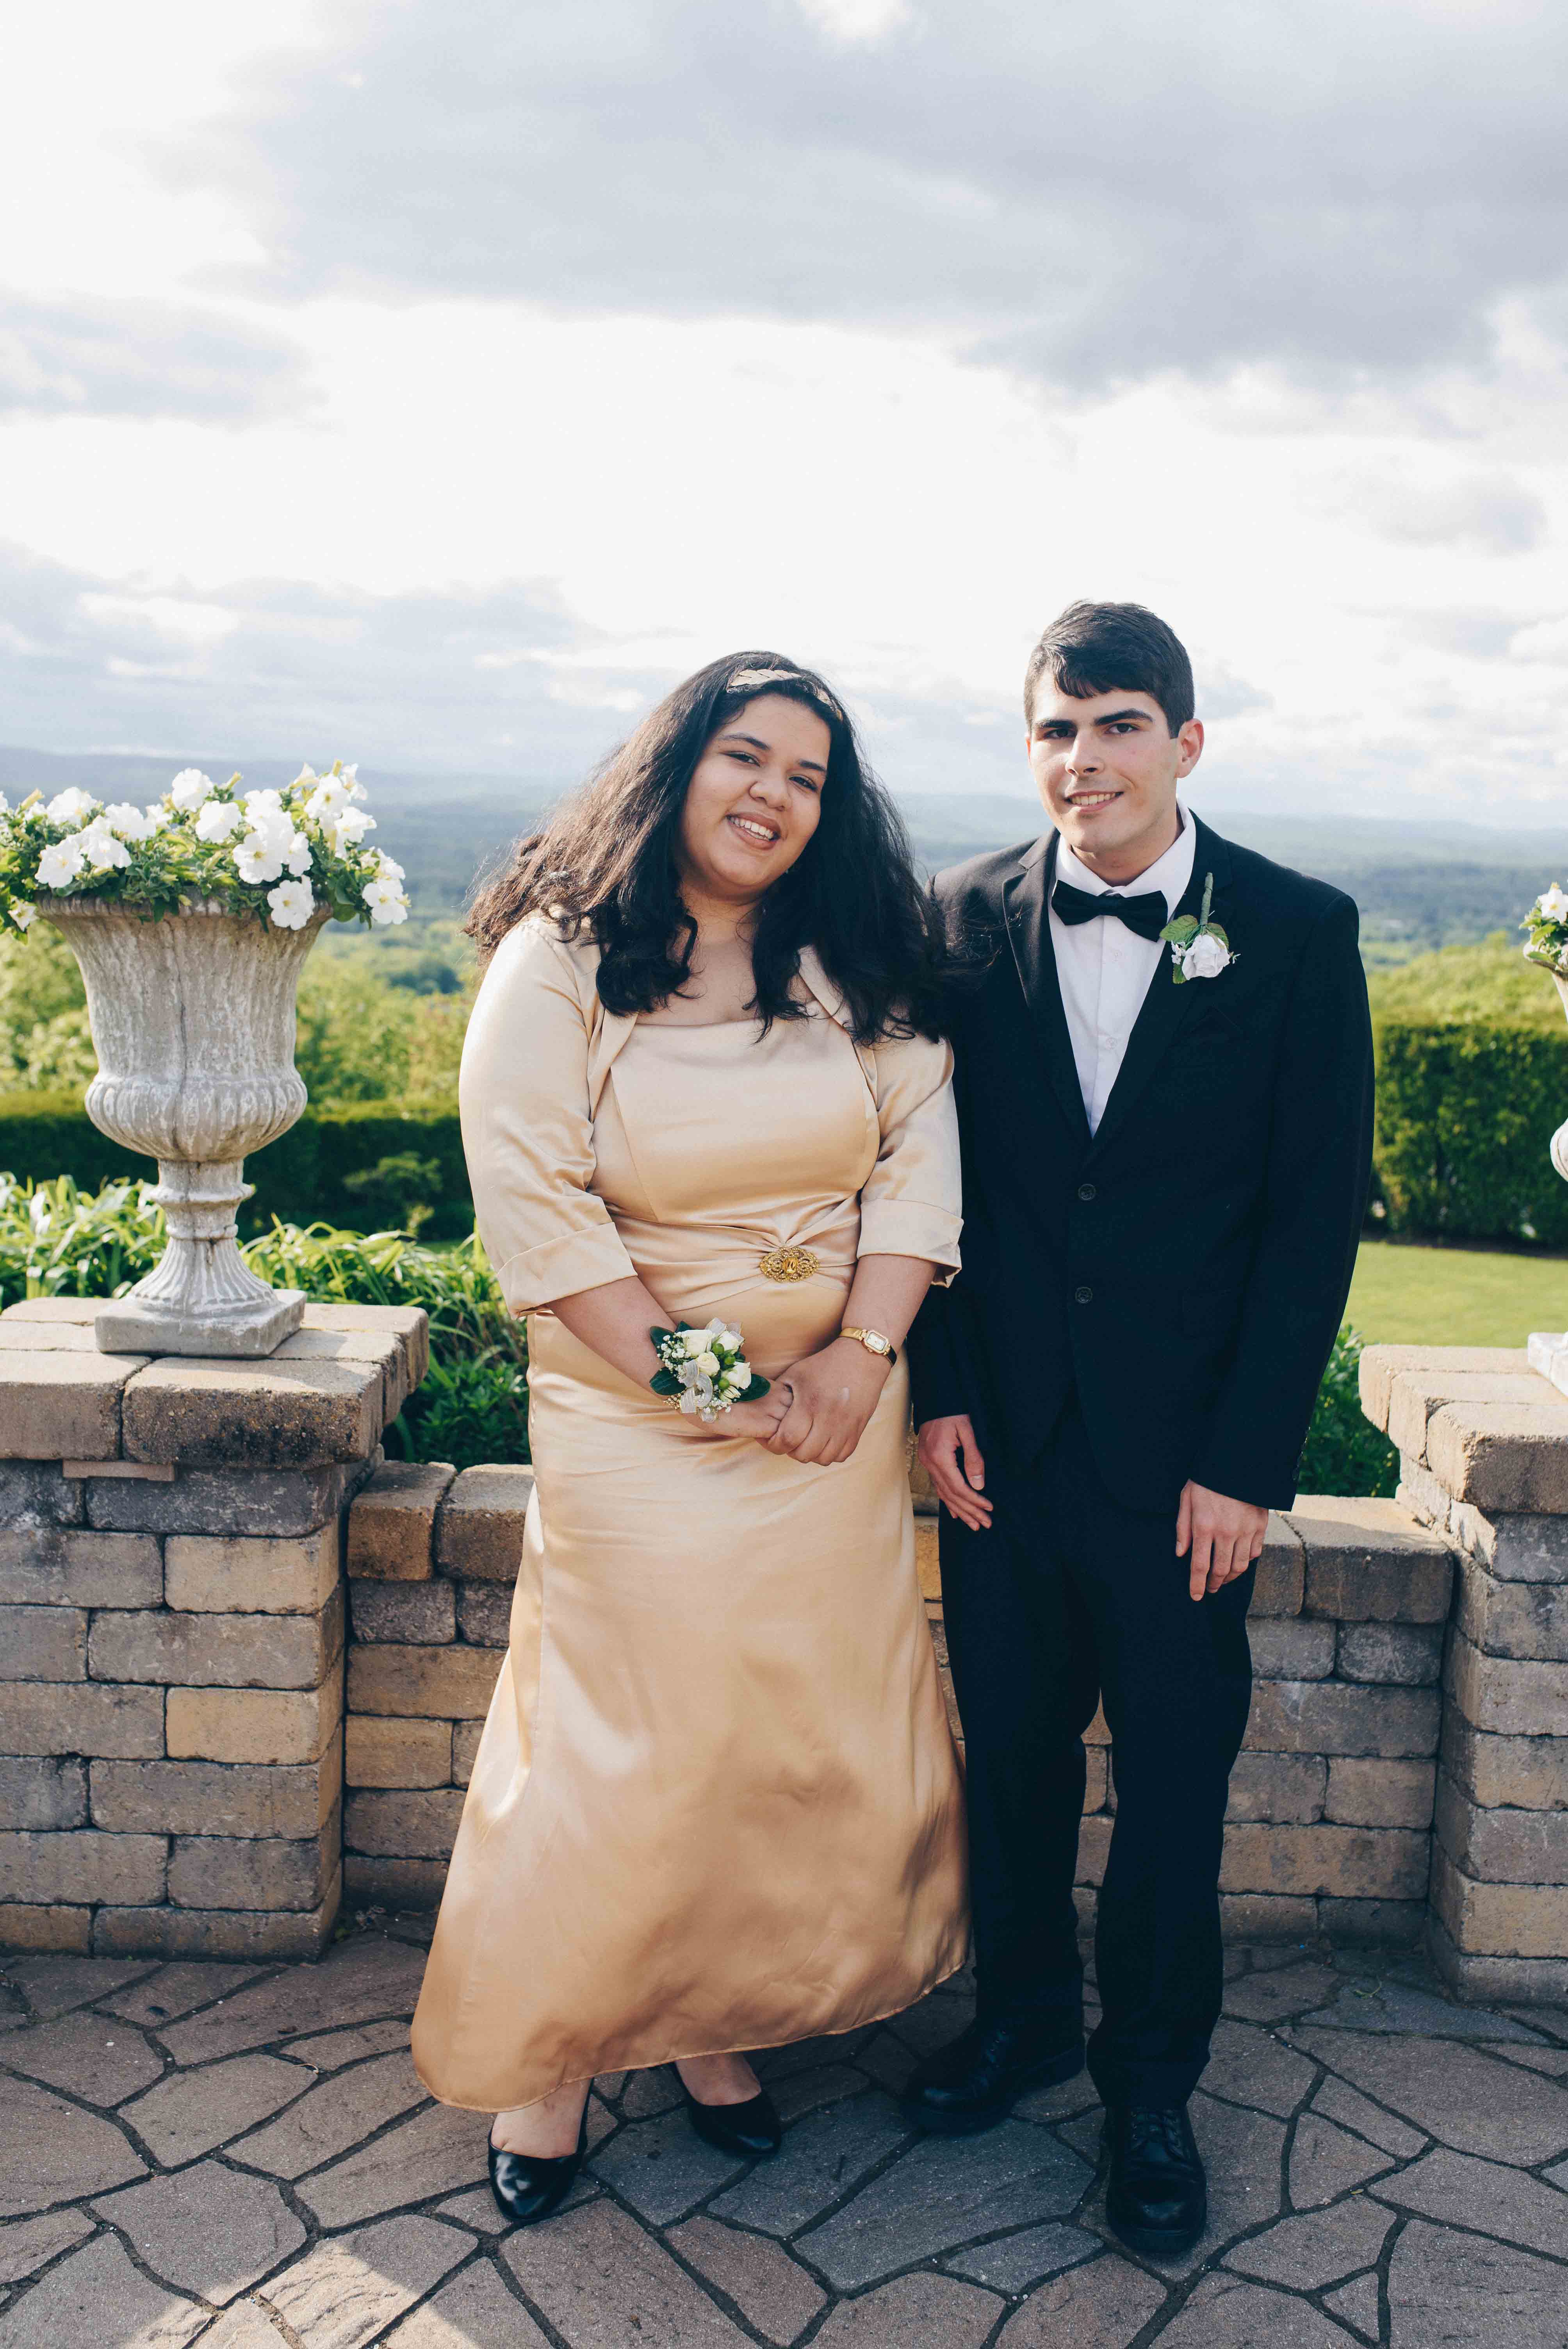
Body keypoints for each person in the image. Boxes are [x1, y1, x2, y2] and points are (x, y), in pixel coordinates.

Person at [411, 650, 969, 2228]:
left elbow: (918, 1163)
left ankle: (713, 2028)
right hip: (632, 1423)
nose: (771, 796)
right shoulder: (558, 961)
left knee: (763, 1738)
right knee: (613, 1741)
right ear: (673, 770)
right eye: (745, 756)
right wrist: (687, 1369)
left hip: (826, 1432)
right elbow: (533, 1196)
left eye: (805, 776)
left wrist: (862, 1358)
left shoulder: (856, 959)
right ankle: (553, 2056)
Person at [903, 601, 1374, 2258]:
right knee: (1010, 1768)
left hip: (1186, 1472)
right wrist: (938, 1391)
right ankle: (1022, 2020)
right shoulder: (955, 918)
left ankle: (1149, 2086)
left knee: (1170, 1791)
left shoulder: (1297, 931)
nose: (1080, 758)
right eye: (1052, 727)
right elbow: (921, 1182)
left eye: (1113, 723)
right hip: (1001, 1455)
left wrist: (1248, 1461)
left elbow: (1310, 1218)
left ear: (1184, 739)